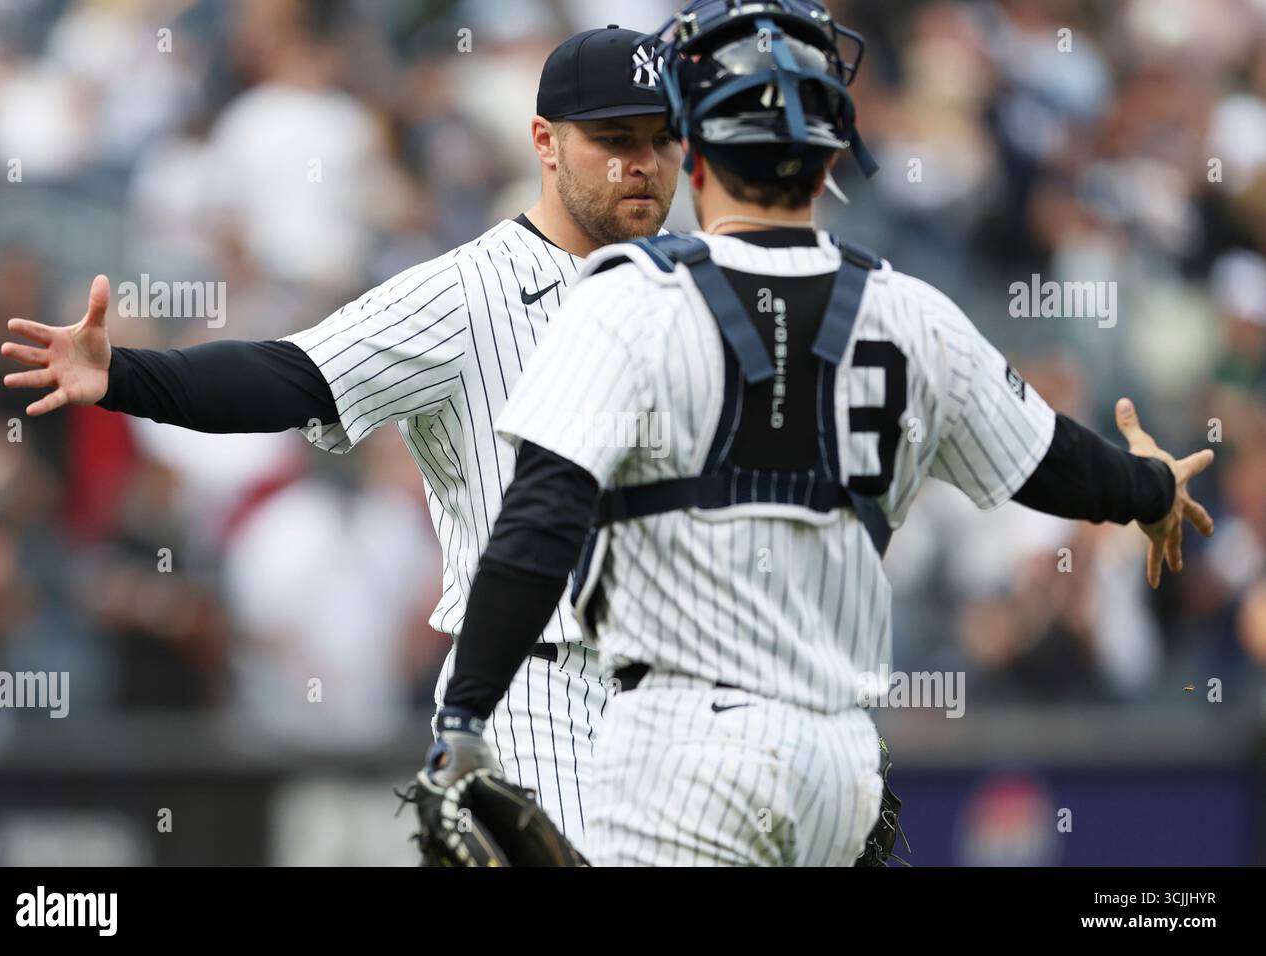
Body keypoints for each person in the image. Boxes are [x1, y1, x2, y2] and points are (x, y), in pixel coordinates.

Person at [417, 0, 1215, 866]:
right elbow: (1051, 460)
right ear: (836, 156)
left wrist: (463, 718)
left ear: (695, 153)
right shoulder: (914, 314)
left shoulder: (628, 297)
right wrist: (1152, 488)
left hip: (681, 742)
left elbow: (540, 518)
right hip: (836, 762)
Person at [0, 25, 682, 853]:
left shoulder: (701, 293)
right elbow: (290, 376)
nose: (641, 162)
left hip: (688, 698)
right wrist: (128, 377)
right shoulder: (466, 293)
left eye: (661, 137)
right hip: (543, 692)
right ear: (544, 140)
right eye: (613, 139)